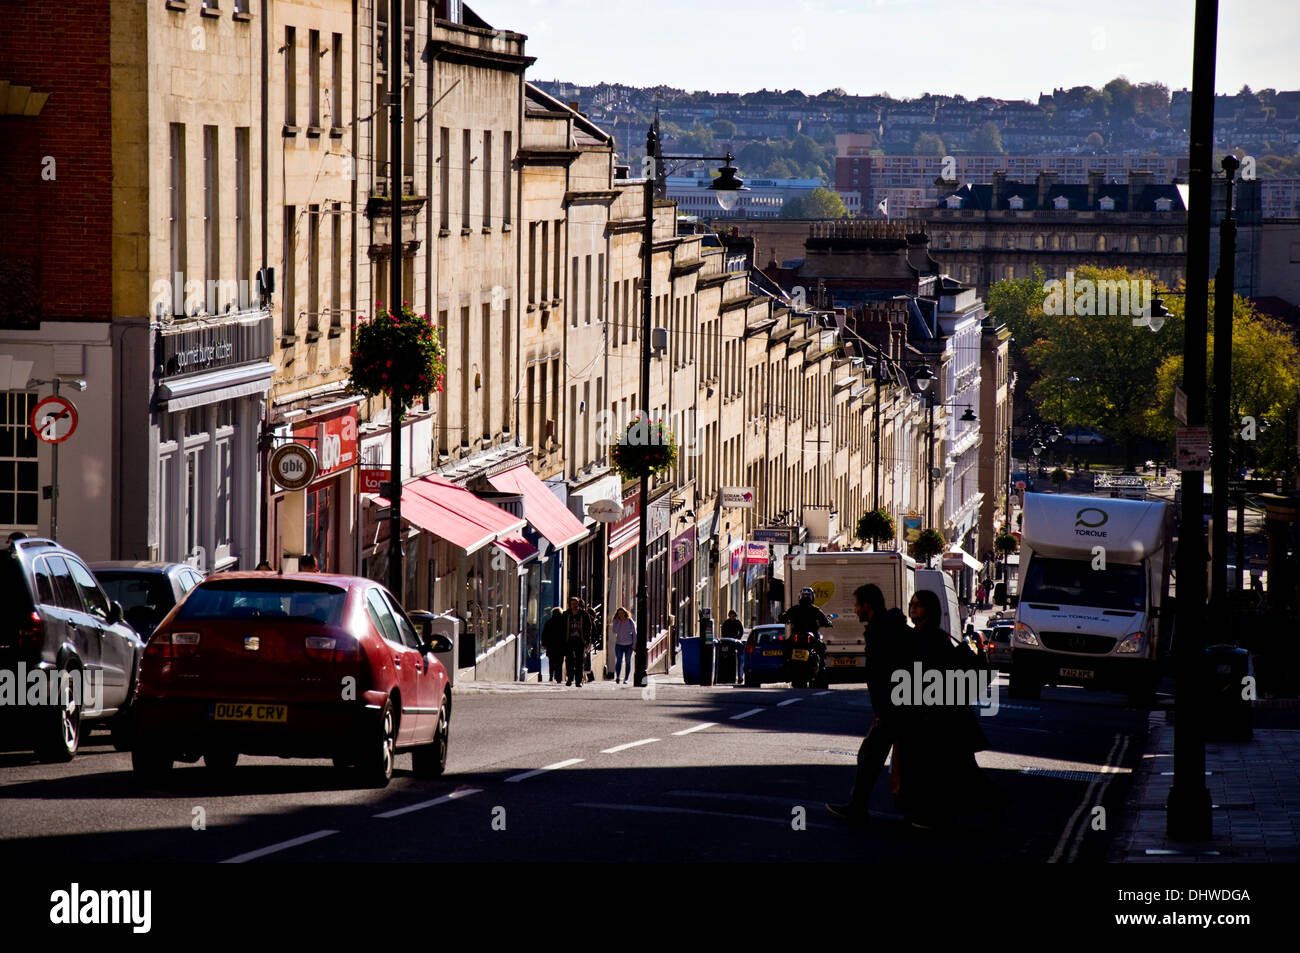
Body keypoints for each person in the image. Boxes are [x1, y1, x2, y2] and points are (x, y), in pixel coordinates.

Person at [892, 588, 988, 829]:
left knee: (938, 768)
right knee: (930, 766)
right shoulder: (917, 636)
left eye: (919, 604)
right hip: (920, 712)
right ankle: (923, 811)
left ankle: (937, 814)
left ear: (930, 610)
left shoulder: (936, 638)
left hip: (937, 716)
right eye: (912, 604)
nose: (913, 608)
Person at [826, 583, 910, 826]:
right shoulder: (884, 628)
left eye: (857, 605)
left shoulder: (881, 632)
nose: (855, 610)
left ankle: (858, 807)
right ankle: (859, 806)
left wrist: (883, 711)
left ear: (867, 605)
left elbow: (885, 675)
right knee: (876, 757)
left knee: (870, 757)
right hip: (899, 705)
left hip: (894, 708)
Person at [562, 596, 593, 687]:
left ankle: (578, 680)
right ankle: (570, 679)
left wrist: (587, 640)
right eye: (572, 604)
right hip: (569, 641)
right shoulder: (566, 614)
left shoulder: (584, 614)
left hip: (580, 640)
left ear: (579, 604)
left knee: (580, 662)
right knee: (569, 661)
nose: (574, 605)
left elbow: (588, 628)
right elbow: (562, 628)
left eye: (576, 603)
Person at [610, 606, 636, 684]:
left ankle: (626, 678)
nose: (621, 615)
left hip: (629, 644)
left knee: (628, 661)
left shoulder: (630, 621)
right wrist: (619, 622)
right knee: (619, 661)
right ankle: (618, 676)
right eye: (619, 614)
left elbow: (634, 633)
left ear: (625, 613)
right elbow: (615, 631)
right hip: (619, 644)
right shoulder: (616, 621)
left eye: (622, 613)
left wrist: (634, 645)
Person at [542, 607, 567, 683]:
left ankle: (551, 675)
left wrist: (544, 644)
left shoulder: (548, 622)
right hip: (560, 645)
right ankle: (558, 676)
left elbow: (544, 634)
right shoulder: (563, 623)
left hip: (551, 645)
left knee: (551, 661)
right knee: (559, 662)